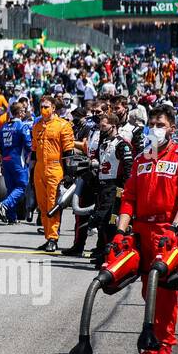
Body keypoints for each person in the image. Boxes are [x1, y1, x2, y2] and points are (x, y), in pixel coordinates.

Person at [114, 103, 178, 354]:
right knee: (147, 288)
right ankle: (151, 343)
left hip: (168, 232)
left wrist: (175, 228)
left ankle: (166, 346)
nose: (155, 129)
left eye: (160, 125)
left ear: (172, 128)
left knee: (165, 290)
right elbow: (129, 198)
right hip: (141, 231)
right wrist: (120, 231)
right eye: (152, 124)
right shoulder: (141, 159)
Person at [62, 111, 131, 260]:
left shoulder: (122, 144)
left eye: (104, 126)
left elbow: (128, 169)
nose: (101, 129)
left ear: (113, 126)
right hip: (102, 186)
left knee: (109, 222)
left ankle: (110, 255)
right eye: (100, 126)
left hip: (115, 188)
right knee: (102, 222)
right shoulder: (103, 143)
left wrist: (125, 190)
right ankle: (103, 253)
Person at [31, 95, 74, 252]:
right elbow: (33, 151)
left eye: (46, 106)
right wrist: (32, 171)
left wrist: (69, 174)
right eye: (41, 106)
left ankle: (53, 238)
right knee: (42, 206)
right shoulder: (36, 126)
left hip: (55, 169)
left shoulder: (63, 125)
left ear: (54, 108)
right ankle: (47, 236)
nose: (43, 109)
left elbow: (68, 151)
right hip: (39, 169)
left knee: (52, 205)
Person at [0, 101, 32, 224]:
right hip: (18, 160)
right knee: (22, 186)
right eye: (23, 110)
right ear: (20, 113)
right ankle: (4, 205)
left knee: (11, 188)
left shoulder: (4, 126)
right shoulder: (22, 126)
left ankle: (12, 218)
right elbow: (28, 145)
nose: (25, 113)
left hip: (6, 160)